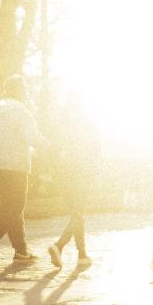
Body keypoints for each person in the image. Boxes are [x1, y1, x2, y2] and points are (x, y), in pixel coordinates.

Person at [0, 74, 43, 269]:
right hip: (15, 166)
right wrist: (51, 146)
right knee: (14, 206)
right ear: (21, 92)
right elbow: (33, 138)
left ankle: (21, 251)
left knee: (12, 206)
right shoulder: (22, 113)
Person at [46, 96, 97, 269]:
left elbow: (52, 148)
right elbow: (94, 147)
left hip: (63, 174)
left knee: (76, 214)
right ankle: (65, 248)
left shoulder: (61, 121)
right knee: (78, 213)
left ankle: (75, 252)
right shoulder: (86, 122)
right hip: (80, 172)